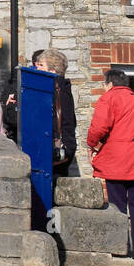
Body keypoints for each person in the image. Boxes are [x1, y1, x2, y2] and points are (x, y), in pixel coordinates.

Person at [87, 69, 134, 262]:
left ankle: (120, 247)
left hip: (117, 160)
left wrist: (91, 143)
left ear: (109, 84)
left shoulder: (110, 98)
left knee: (117, 207)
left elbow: (99, 126)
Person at [37, 49, 78, 177]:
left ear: (52, 70)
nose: (37, 67)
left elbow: (61, 121)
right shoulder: (62, 88)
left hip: (55, 149)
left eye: (41, 65)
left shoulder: (56, 91)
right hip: (62, 147)